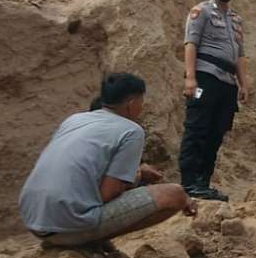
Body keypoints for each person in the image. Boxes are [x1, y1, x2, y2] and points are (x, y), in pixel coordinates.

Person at [19, 73, 195, 249]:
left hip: (35, 224)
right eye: (141, 101)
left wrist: (136, 174)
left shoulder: (74, 120)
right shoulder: (131, 131)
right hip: (66, 228)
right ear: (132, 103)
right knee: (175, 194)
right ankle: (88, 241)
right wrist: (138, 177)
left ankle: (78, 238)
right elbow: (108, 194)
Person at [179, 0, 250, 202]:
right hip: (205, 76)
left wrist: (244, 84)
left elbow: (239, 54)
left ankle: (203, 182)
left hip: (227, 82)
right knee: (197, 128)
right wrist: (190, 78)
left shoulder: (236, 19)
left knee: (217, 131)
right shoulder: (201, 12)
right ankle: (189, 183)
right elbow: (191, 43)